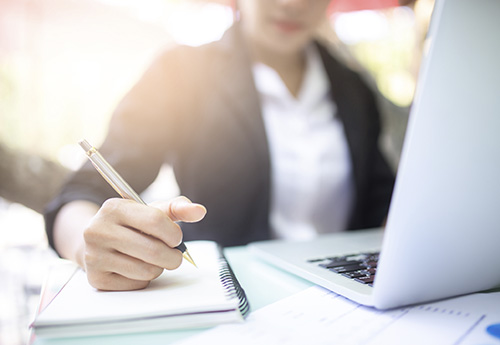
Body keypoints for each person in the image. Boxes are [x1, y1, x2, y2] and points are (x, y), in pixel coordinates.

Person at [44, 0, 395, 291]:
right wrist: (87, 244)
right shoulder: (181, 71)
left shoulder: (354, 88)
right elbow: (81, 193)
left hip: (347, 296)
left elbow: (384, 202)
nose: (293, 4)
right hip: (225, 296)